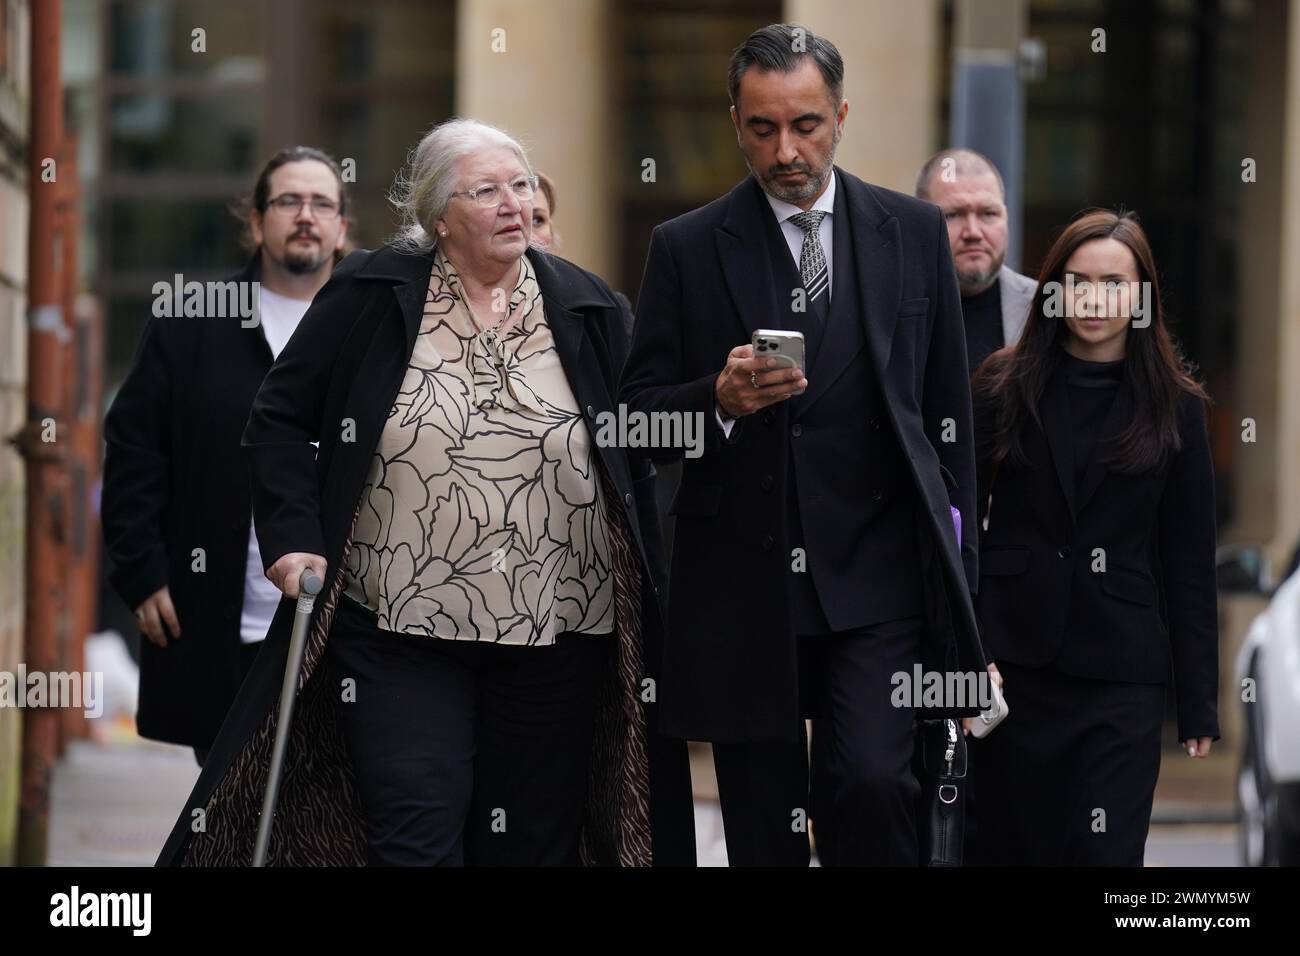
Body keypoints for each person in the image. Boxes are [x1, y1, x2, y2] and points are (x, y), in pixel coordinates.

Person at [155, 119, 696, 867]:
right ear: (440, 217)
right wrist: (292, 537)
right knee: (415, 838)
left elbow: (647, 437)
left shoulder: (589, 305)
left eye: (519, 185)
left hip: (559, 634)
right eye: (486, 191)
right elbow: (277, 418)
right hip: (398, 630)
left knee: (529, 844)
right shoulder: (373, 292)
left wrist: (718, 404)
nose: (513, 204)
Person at [619, 23, 989, 866]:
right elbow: (635, 425)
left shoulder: (913, 232)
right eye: (762, 128)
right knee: (763, 826)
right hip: (745, 588)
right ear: (736, 125)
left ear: (842, 114)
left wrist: (963, 607)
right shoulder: (685, 246)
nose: (786, 150)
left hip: (881, 581)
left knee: (872, 784)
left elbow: (948, 434)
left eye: (806, 125)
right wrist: (715, 399)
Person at [970, 209, 1219, 865]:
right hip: (1010, 671)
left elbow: (1189, 562)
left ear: (1141, 298)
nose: (1093, 298)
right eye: (1077, 281)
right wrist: (962, 653)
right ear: (1052, 290)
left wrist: (1198, 703)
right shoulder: (1002, 384)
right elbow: (955, 525)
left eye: (1113, 283)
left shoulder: (1178, 406)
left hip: (1120, 681)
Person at [102, 146, 350, 766]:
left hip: (344, 631)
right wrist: (141, 569)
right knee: (228, 816)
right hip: (218, 625)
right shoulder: (191, 320)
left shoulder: (370, 327)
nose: (305, 215)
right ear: (256, 220)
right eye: (288, 200)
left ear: (342, 226)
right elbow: (136, 449)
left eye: (322, 203)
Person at [916, 148, 1036, 376]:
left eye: (988, 214)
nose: (974, 232)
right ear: (916, 221)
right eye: (953, 215)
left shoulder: (1044, 309)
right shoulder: (883, 307)